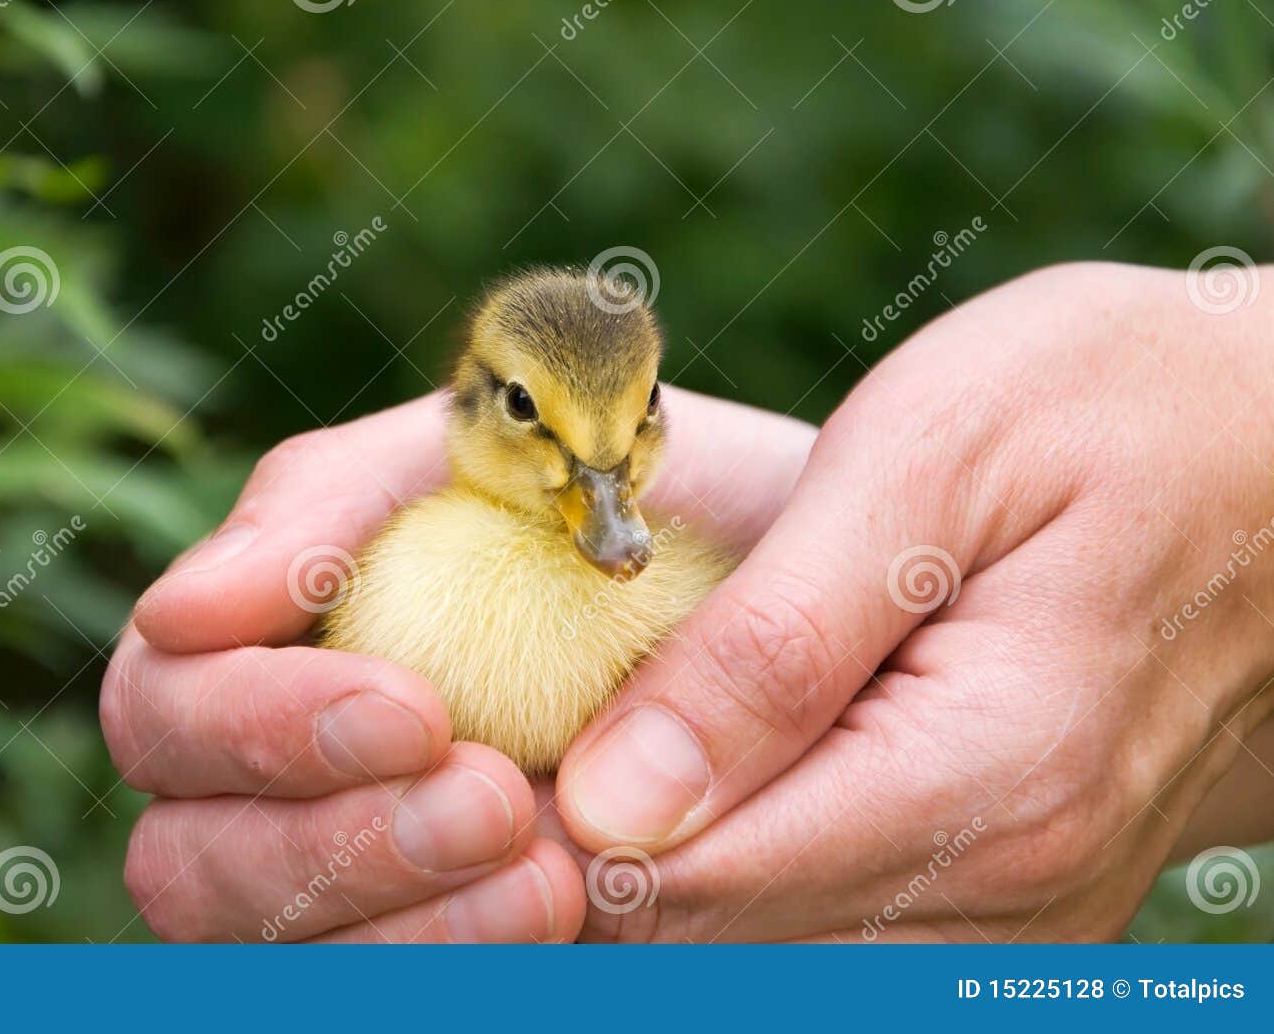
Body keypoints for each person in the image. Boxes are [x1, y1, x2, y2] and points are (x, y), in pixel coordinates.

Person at [100, 261, 1274, 942]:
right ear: (471, 402)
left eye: (631, 435)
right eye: (536, 424)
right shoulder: (393, 570)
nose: (611, 515)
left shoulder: (689, 575)